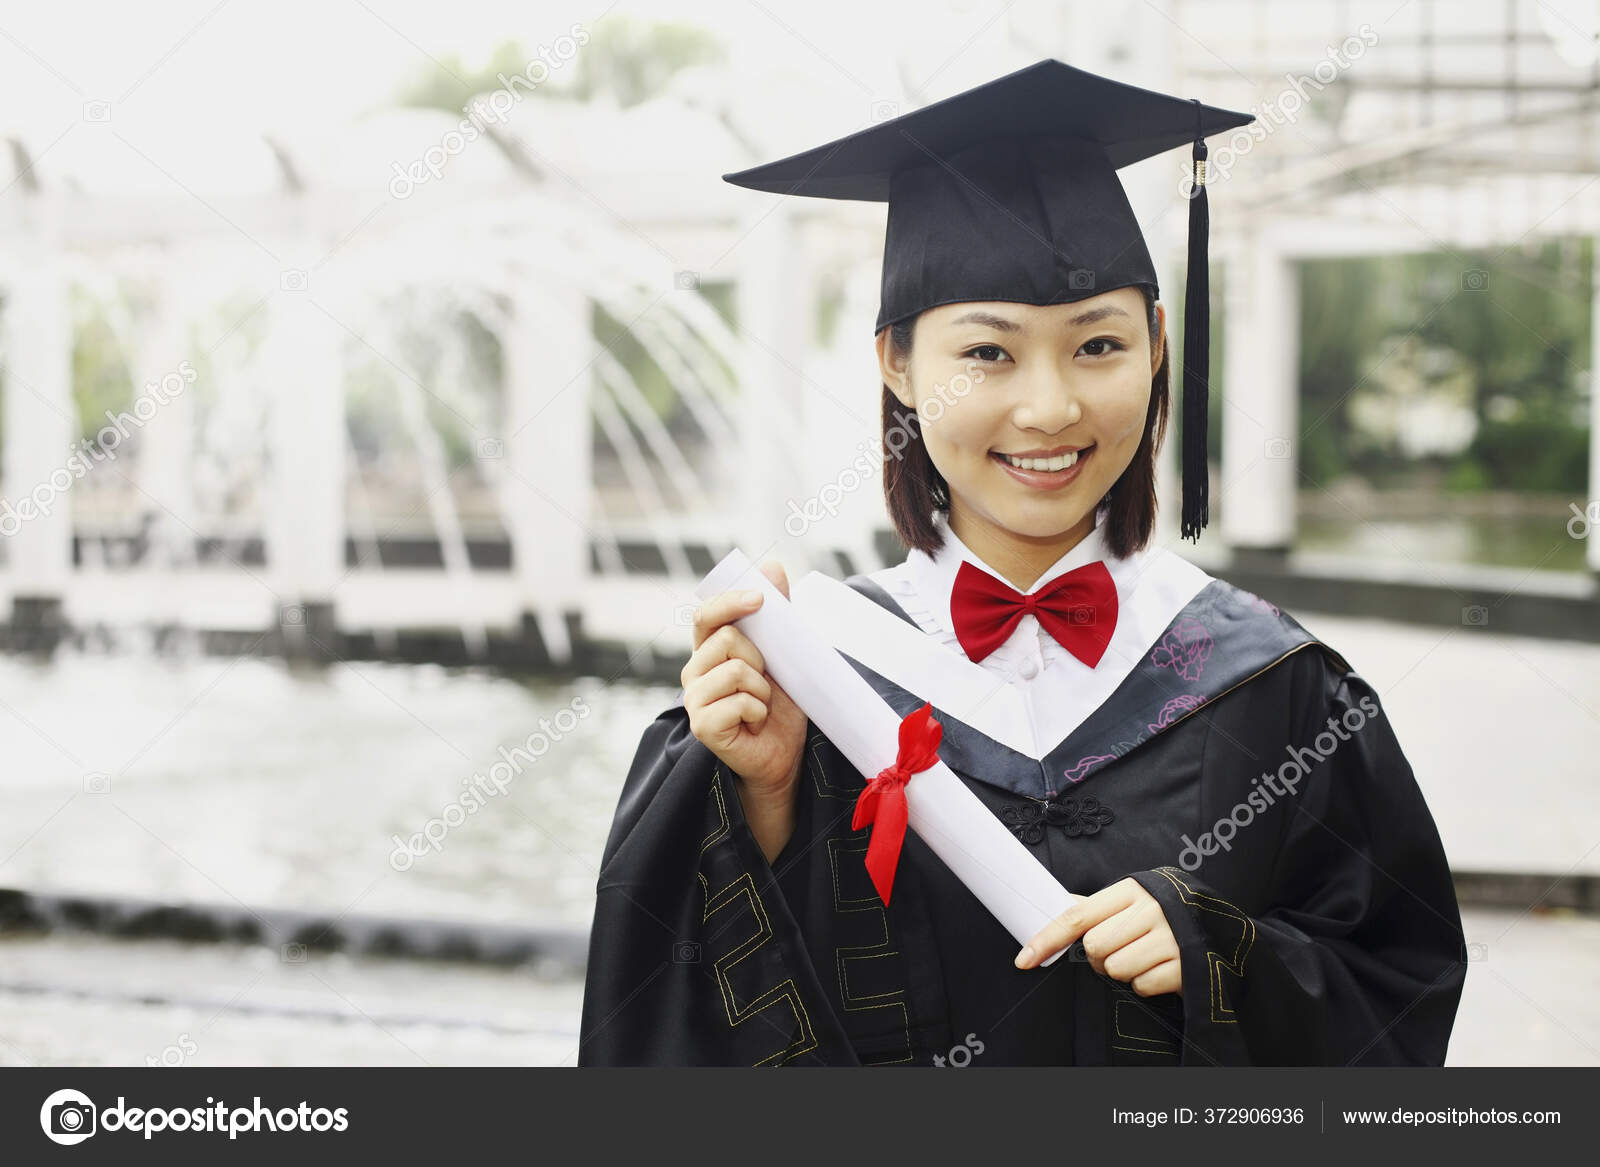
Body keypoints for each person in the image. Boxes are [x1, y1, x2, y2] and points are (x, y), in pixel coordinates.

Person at [578, 59, 1467, 1066]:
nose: (1049, 408)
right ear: (896, 363)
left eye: (1096, 346)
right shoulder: (809, 679)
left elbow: (1397, 989)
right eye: (988, 355)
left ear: (1158, 344)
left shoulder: (1277, 687)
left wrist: (1219, 955)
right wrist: (765, 804)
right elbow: (667, 1024)